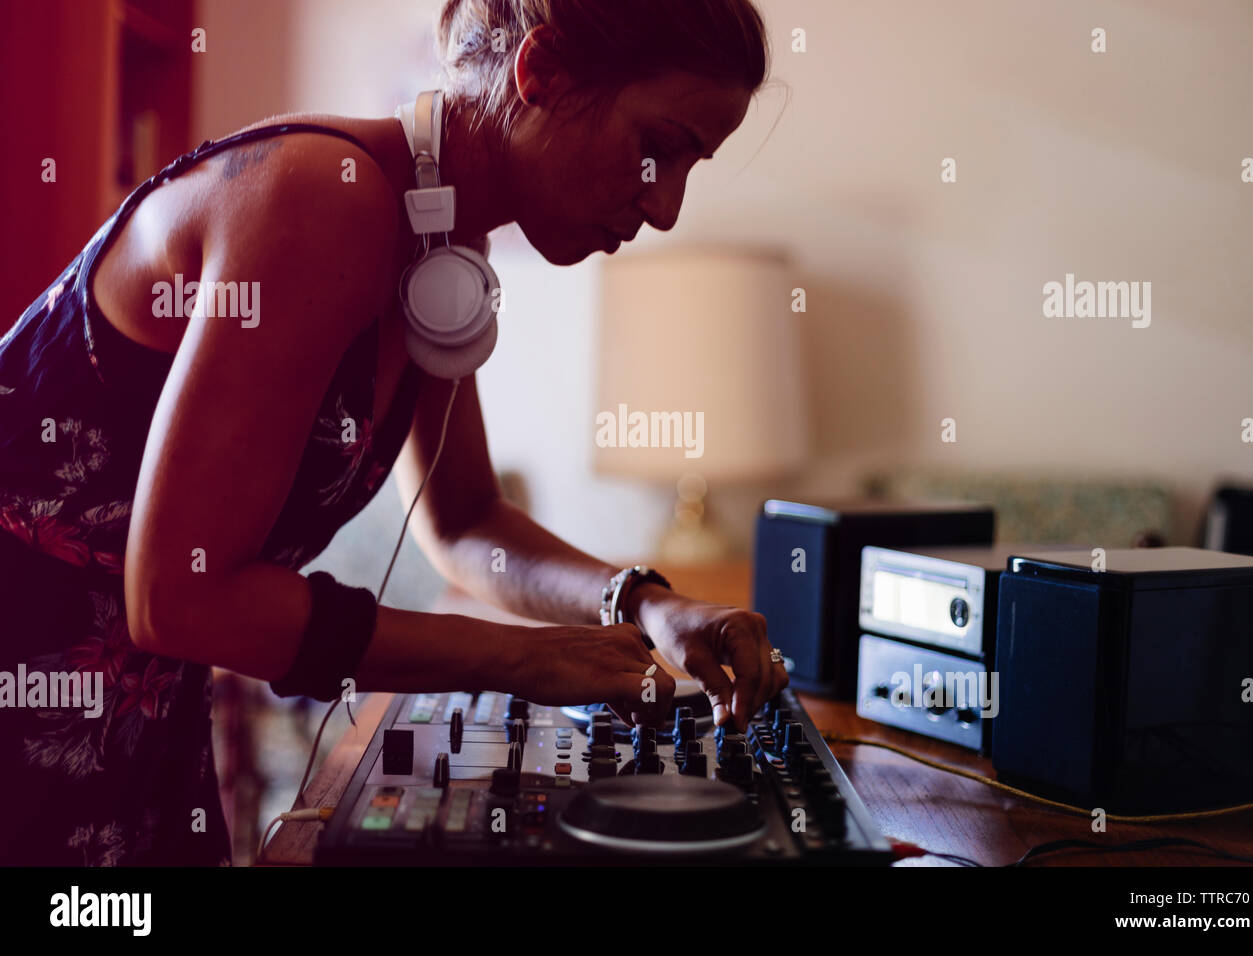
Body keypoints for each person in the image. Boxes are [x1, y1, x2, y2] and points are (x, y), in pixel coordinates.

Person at [0, 0, 784, 866]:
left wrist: (649, 604)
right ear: (543, 71)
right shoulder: (319, 200)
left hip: (126, 714)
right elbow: (182, 597)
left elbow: (465, 522)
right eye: (659, 145)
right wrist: (517, 661)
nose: (667, 206)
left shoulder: (443, 244)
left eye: (689, 165)